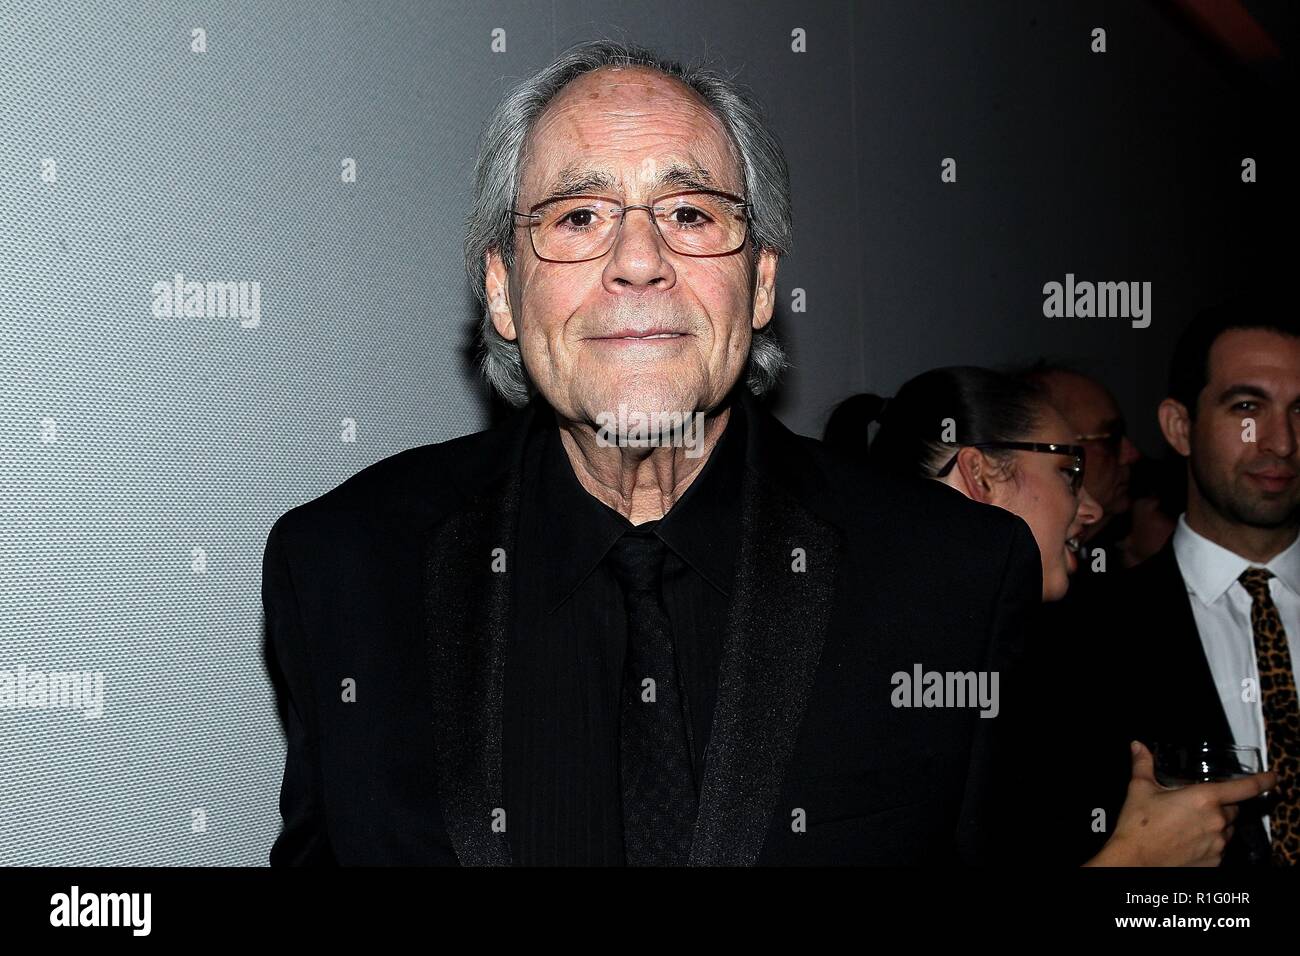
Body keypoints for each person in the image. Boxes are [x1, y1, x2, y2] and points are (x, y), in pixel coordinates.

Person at [262, 39, 1043, 866]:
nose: (639, 262)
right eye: (578, 217)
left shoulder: (952, 577)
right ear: (502, 290)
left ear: (763, 281)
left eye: (691, 214)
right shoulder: (344, 567)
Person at [825, 366, 1277, 865]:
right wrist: (1138, 858)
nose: (1091, 509)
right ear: (981, 474)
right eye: (1069, 473)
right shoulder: (882, 687)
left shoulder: (1018, 673)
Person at [1074, 294, 1300, 866]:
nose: (1280, 442)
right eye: (1247, 408)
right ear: (1179, 427)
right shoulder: (1079, 633)